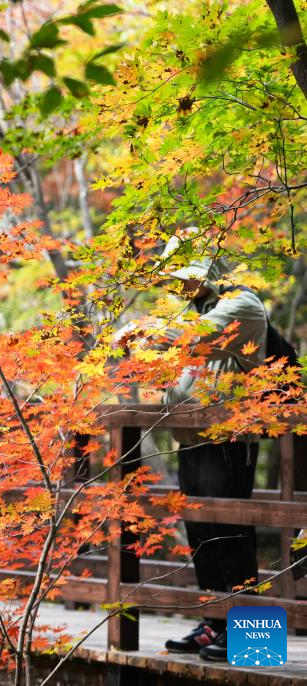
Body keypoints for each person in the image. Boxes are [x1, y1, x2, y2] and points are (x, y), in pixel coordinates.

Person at [150, 237, 268, 662]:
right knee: (202, 535)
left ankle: (255, 641)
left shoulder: (242, 304)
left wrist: (145, 332)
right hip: (192, 438)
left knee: (231, 533)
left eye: (182, 275)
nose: (176, 285)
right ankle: (215, 622)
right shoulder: (196, 312)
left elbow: (196, 337)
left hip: (228, 439)